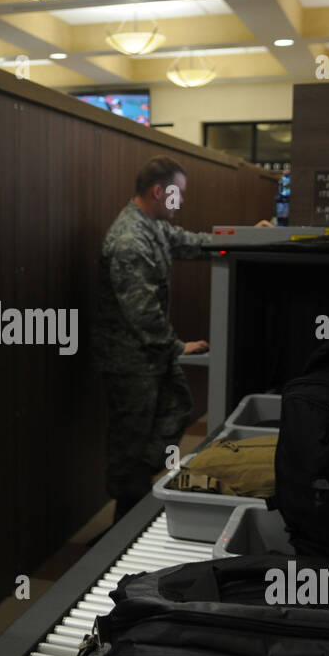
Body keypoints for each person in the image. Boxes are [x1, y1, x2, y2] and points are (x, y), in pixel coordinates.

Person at [94, 155, 214, 522]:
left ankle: (136, 489)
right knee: (131, 442)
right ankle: (124, 519)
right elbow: (142, 312)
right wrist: (178, 347)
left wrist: (246, 239)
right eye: (178, 194)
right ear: (159, 191)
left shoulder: (154, 226)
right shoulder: (130, 239)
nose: (182, 202)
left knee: (176, 407)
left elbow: (190, 242)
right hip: (131, 361)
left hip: (149, 356)